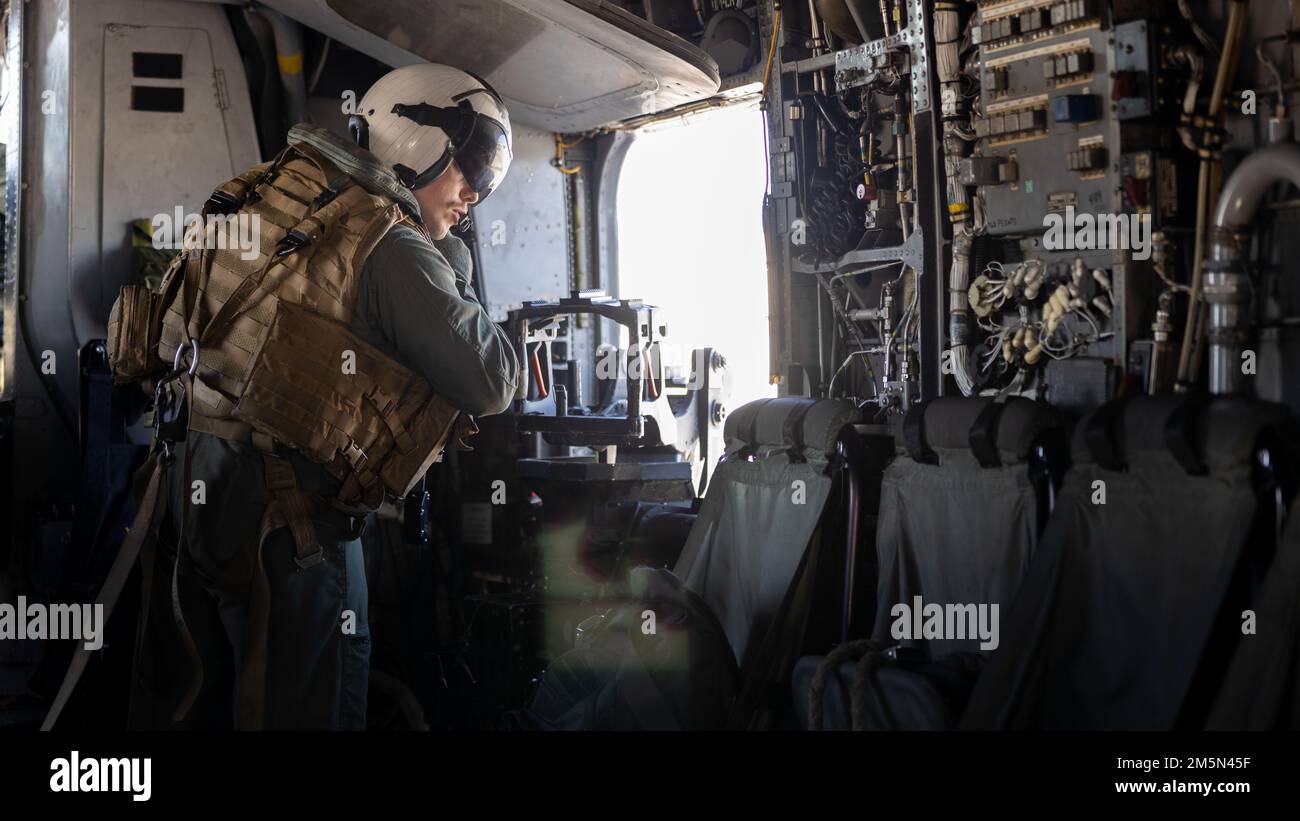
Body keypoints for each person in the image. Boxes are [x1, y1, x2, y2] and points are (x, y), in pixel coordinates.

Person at [125, 63, 520, 730]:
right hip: (292, 526)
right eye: (473, 167)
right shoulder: (393, 245)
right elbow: (493, 381)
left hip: (188, 483)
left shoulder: (266, 188)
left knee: (199, 699)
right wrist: (452, 255)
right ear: (419, 146)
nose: (476, 193)